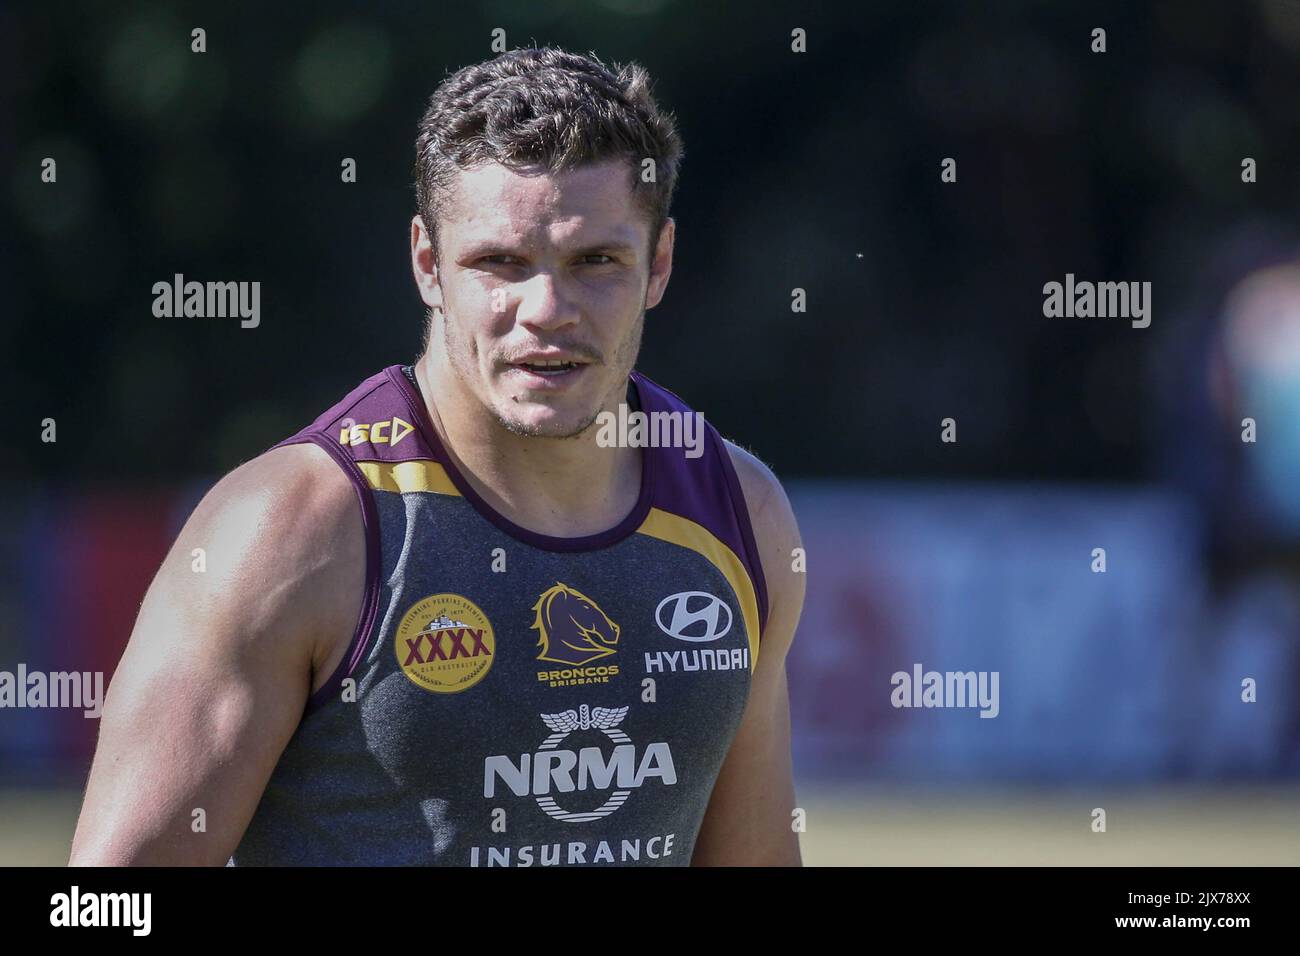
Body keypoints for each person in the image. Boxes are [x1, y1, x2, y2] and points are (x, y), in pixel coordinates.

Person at [69, 45, 804, 866]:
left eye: (595, 261)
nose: (546, 310)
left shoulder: (742, 513)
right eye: (500, 263)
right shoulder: (290, 533)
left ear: (658, 263)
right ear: (428, 263)